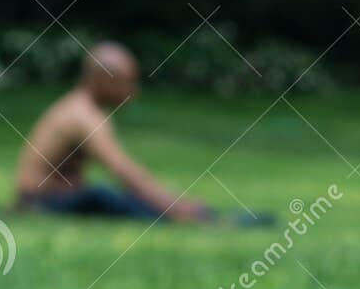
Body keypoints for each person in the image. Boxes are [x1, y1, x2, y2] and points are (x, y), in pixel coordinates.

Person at [14, 41, 215, 221]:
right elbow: (124, 171)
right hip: (40, 203)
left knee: (111, 197)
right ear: (102, 80)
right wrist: (175, 207)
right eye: (126, 82)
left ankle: (195, 215)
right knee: (103, 196)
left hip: (50, 199)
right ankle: (186, 217)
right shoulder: (82, 116)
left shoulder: (82, 107)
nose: (134, 91)